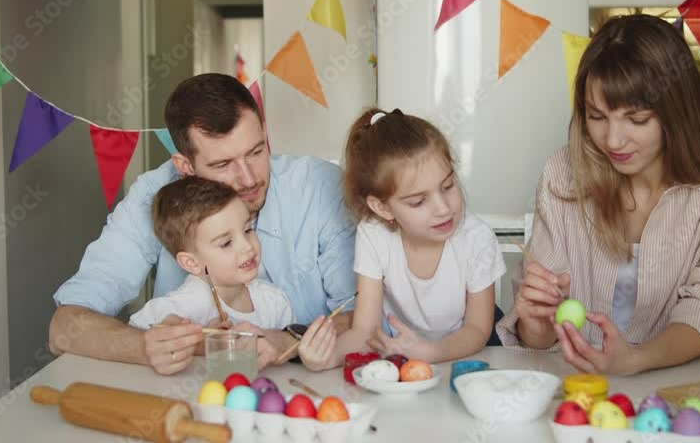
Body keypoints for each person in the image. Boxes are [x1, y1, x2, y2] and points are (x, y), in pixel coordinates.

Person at [497, 14, 700, 376]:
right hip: (583, 387)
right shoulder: (564, 173)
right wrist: (536, 322)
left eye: (637, 119)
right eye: (597, 117)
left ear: (678, 111)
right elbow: (537, 341)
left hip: (697, 382)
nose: (613, 141)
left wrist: (634, 360)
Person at [49, 73, 356, 375]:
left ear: (264, 133)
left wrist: (285, 340)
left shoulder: (320, 187)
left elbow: (365, 317)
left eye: (256, 151)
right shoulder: (153, 197)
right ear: (184, 167)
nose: (249, 179)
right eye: (223, 165)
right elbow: (64, 327)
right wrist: (144, 346)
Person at [296, 108, 506, 371]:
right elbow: (365, 330)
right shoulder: (374, 235)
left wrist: (432, 351)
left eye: (448, 186)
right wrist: (327, 358)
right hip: (411, 360)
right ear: (382, 208)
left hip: (468, 357)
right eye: (419, 201)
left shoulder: (476, 238)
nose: (443, 208)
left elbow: (477, 329)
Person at [127, 176, 293, 332]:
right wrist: (175, 338)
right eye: (226, 243)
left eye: (248, 230)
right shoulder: (182, 307)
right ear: (191, 263)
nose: (247, 246)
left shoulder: (274, 301)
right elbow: (134, 339)